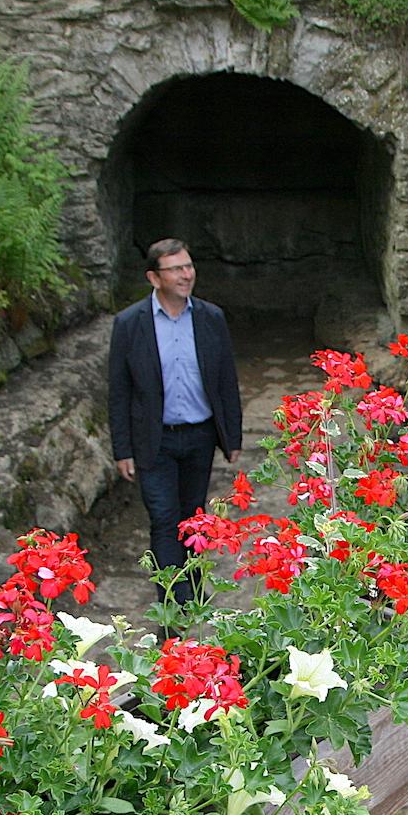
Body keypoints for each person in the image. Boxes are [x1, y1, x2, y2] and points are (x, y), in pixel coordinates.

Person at [107, 239, 242, 606]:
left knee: (193, 517)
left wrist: (232, 436)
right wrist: (122, 449)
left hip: (199, 435)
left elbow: (226, 380)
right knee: (164, 519)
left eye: (189, 266)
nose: (186, 275)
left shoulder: (210, 317)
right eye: (176, 269)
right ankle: (172, 603)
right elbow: (119, 391)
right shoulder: (130, 324)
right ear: (154, 278)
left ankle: (194, 590)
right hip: (154, 440)